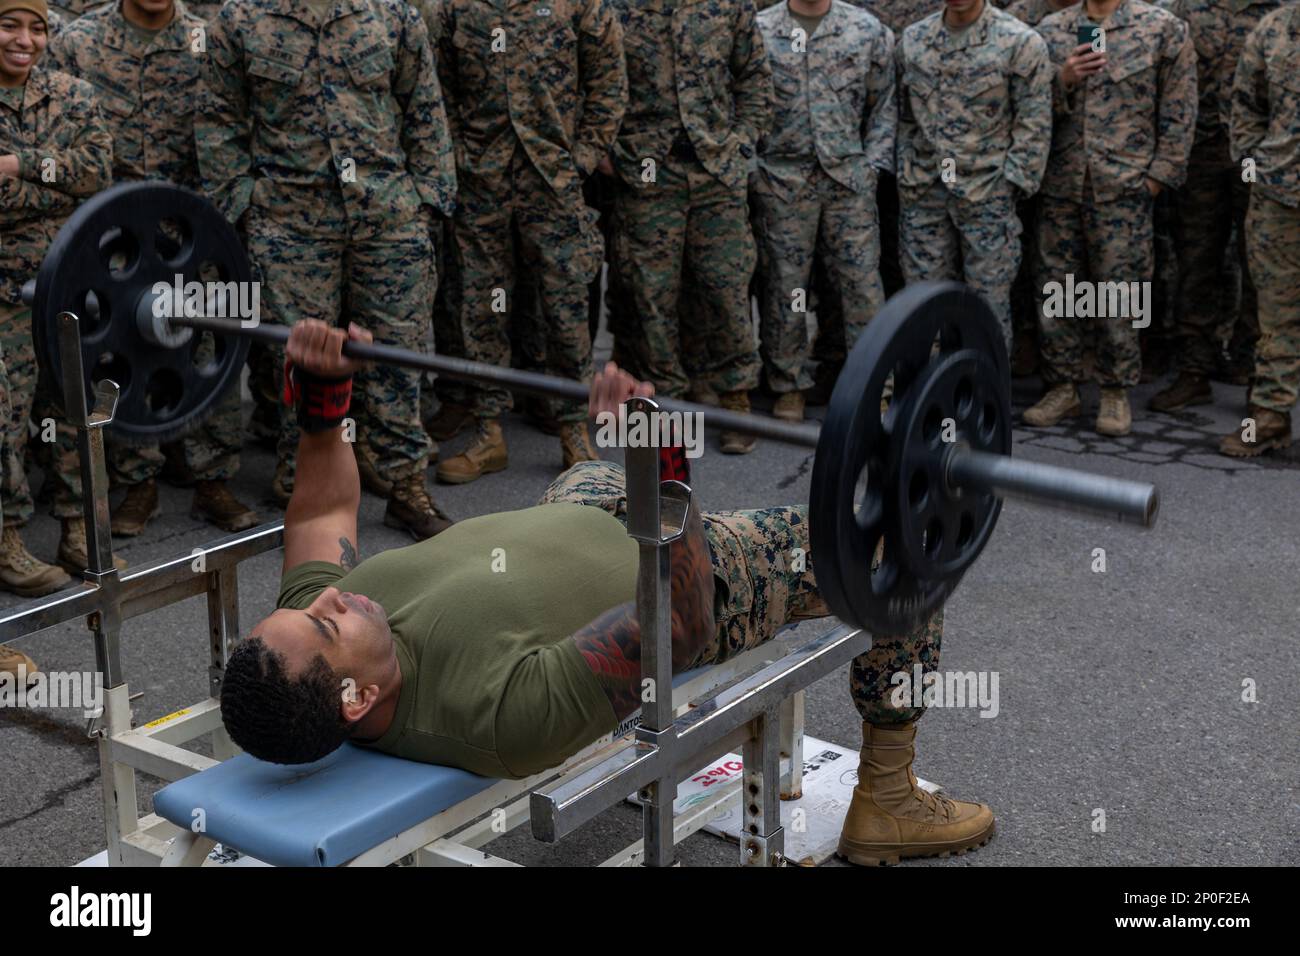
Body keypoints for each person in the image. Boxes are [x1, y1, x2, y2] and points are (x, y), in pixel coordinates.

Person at [218, 318, 993, 866]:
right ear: (354, 701)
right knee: (904, 550)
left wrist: (324, 398)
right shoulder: (495, 716)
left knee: (596, 458)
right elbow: (678, 627)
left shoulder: (329, 621)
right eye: (322, 625)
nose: (325, 600)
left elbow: (321, 510)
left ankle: (626, 461)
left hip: (577, 506)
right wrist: (661, 480)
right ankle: (888, 796)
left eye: (302, 604)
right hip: (697, 569)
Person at [195, 0, 458, 538]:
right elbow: (218, 118)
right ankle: (303, 484)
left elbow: (425, 109)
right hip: (291, 220)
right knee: (303, 357)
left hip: (387, 214)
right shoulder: (241, 19)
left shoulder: (393, 15)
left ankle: (405, 483)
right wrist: (243, 204)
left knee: (396, 355)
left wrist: (426, 200)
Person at [46, 0, 259, 535]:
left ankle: (213, 476)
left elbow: (234, 123)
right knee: (122, 353)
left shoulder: (208, 39)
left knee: (212, 340)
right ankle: (137, 478)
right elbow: (63, 129)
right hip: (115, 232)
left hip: (193, 228)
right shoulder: (79, 42)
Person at [430, 0, 626, 484]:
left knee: (564, 308)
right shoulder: (457, 7)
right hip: (483, 181)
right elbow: (438, 89)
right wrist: (461, 155)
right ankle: (489, 430)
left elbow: (608, 82)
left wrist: (580, 157)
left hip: (552, 179)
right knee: (482, 308)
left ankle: (573, 430)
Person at [602, 0, 772, 454]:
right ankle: (667, 405)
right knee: (651, 294)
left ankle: (735, 397)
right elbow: (592, 77)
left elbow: (754, 76)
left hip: (714, 168)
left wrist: (740, 143)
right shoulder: (615, 8)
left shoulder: (728, 6)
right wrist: (606, 151)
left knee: (725, 286)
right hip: (646, 170)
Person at [1023, 0, 1196, 436]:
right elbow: (1026, 106)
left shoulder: (1161, 28)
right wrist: (1062, 79)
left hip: (1124, 184)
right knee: (1058, 288)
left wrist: (1158, 178)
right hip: (1062, 181)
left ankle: (1115, 390)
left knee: (1120, 290)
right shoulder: (1049, 30)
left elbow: (1179, 109)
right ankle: (1062, 385)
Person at [0, 0, 116, 594]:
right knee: (8, 418)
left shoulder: (71, 93)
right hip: (5, 290)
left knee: (75, 406)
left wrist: (20, 166)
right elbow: (72, 181)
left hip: (68, 280)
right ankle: (8, 538)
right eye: (9, 24)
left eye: (37, 27)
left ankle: (79, 527)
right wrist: (58, 184)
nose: (25, 39)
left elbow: (97, 171)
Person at [752, 0, 896, 423]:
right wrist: (754, 167)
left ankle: (875, 388)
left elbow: (885, 105)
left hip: (847, 178)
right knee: (785, 286)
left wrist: (872, 166)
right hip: (783, 176)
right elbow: (744, 98)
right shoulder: (761, 29)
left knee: (861, 286)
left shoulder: (865, 29)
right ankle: (788, 384)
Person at [894, 0, 1053, 357]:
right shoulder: (914, 41)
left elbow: (1034, 124)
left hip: (987, 194)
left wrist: (1009, 186)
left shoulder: (1019, 42)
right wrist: (908, 170)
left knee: (987, 306)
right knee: (922, 304)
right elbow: (904, 117)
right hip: (925, 192)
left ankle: (985, 397)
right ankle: (926, 400)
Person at [1150, 0, 1283, 413]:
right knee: (1197, 260)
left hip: (1261, 158)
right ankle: (1194, 371)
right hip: (1203, 151)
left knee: (1260, 265)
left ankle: (1254, 371)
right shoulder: (1186, 8)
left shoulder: (1281, 14)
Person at [1218, 2, 1300, 456]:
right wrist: (1255, 169)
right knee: (1275, 313)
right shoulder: (1273, 30)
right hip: (1279, 197)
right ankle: (1269, 417)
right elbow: (1246, 105)